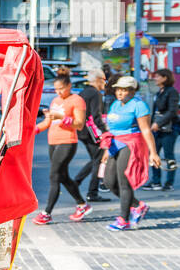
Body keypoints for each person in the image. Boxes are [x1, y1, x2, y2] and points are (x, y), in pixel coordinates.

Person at [103, 75, 162, 231]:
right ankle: (137, 205)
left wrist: (153, 153)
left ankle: (123, 219)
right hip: (114, 143)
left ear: (132, 91)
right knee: (109, 182)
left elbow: (146, 130)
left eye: (124, 90)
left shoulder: (139, 105)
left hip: (131, 144)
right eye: (118, 90)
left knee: (124, 182)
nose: (120, 93)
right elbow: (111, 128)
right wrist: (106, 150)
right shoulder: (115, 104)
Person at [33, 70, 88, 224]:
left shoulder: (77, 100)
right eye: (56, 89)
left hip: (67, 142)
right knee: (62, 177)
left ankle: (47, 213)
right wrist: (33, 130)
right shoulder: (55, 101)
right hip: (53, 142)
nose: (59, 92)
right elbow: (48, 122)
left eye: (61, 89)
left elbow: (79, 124)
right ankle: (82, 204)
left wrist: (62, 117)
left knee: (54, 176)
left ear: (69, 86)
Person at [72, 70, 110, 203]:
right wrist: (105, 132)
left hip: (81, 130)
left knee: (95, 158)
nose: (105, 83)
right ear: (98, 80)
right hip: (91, 132)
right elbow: (96, 116)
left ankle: (77, 183)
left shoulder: (83, 92)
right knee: (98, 159)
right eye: (104, 80)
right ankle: (92, 192)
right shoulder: (95, 93)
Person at [145, 68, 180, 192]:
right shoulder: (160, 92)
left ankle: (169, 182)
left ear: (165, 78)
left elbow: (172, 111)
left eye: (157, 76)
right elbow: (156, 111)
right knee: (153, 154)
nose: (155, 78)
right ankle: (156, 181)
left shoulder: (172, 92)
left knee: (169, 155)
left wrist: (158, 123)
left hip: (169, 129)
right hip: (158, 129)